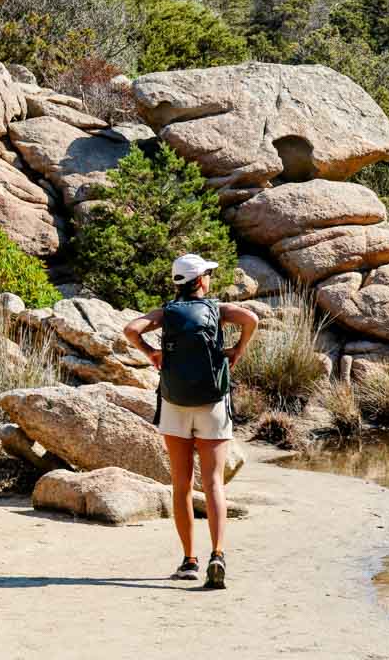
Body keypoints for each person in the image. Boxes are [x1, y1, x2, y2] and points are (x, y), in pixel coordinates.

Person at [123, 252, 259, 588]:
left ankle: (188, 561)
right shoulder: (217, 310)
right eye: (208, 274)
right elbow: (251, 318)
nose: (210, 278)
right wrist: (238, 350)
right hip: (212, 403)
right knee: (213, 483)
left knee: (181, 486)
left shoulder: (165, 313)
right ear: (199, 281)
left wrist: (150, 353)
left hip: (174, 403)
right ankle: (218, 553)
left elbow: (130, 329)